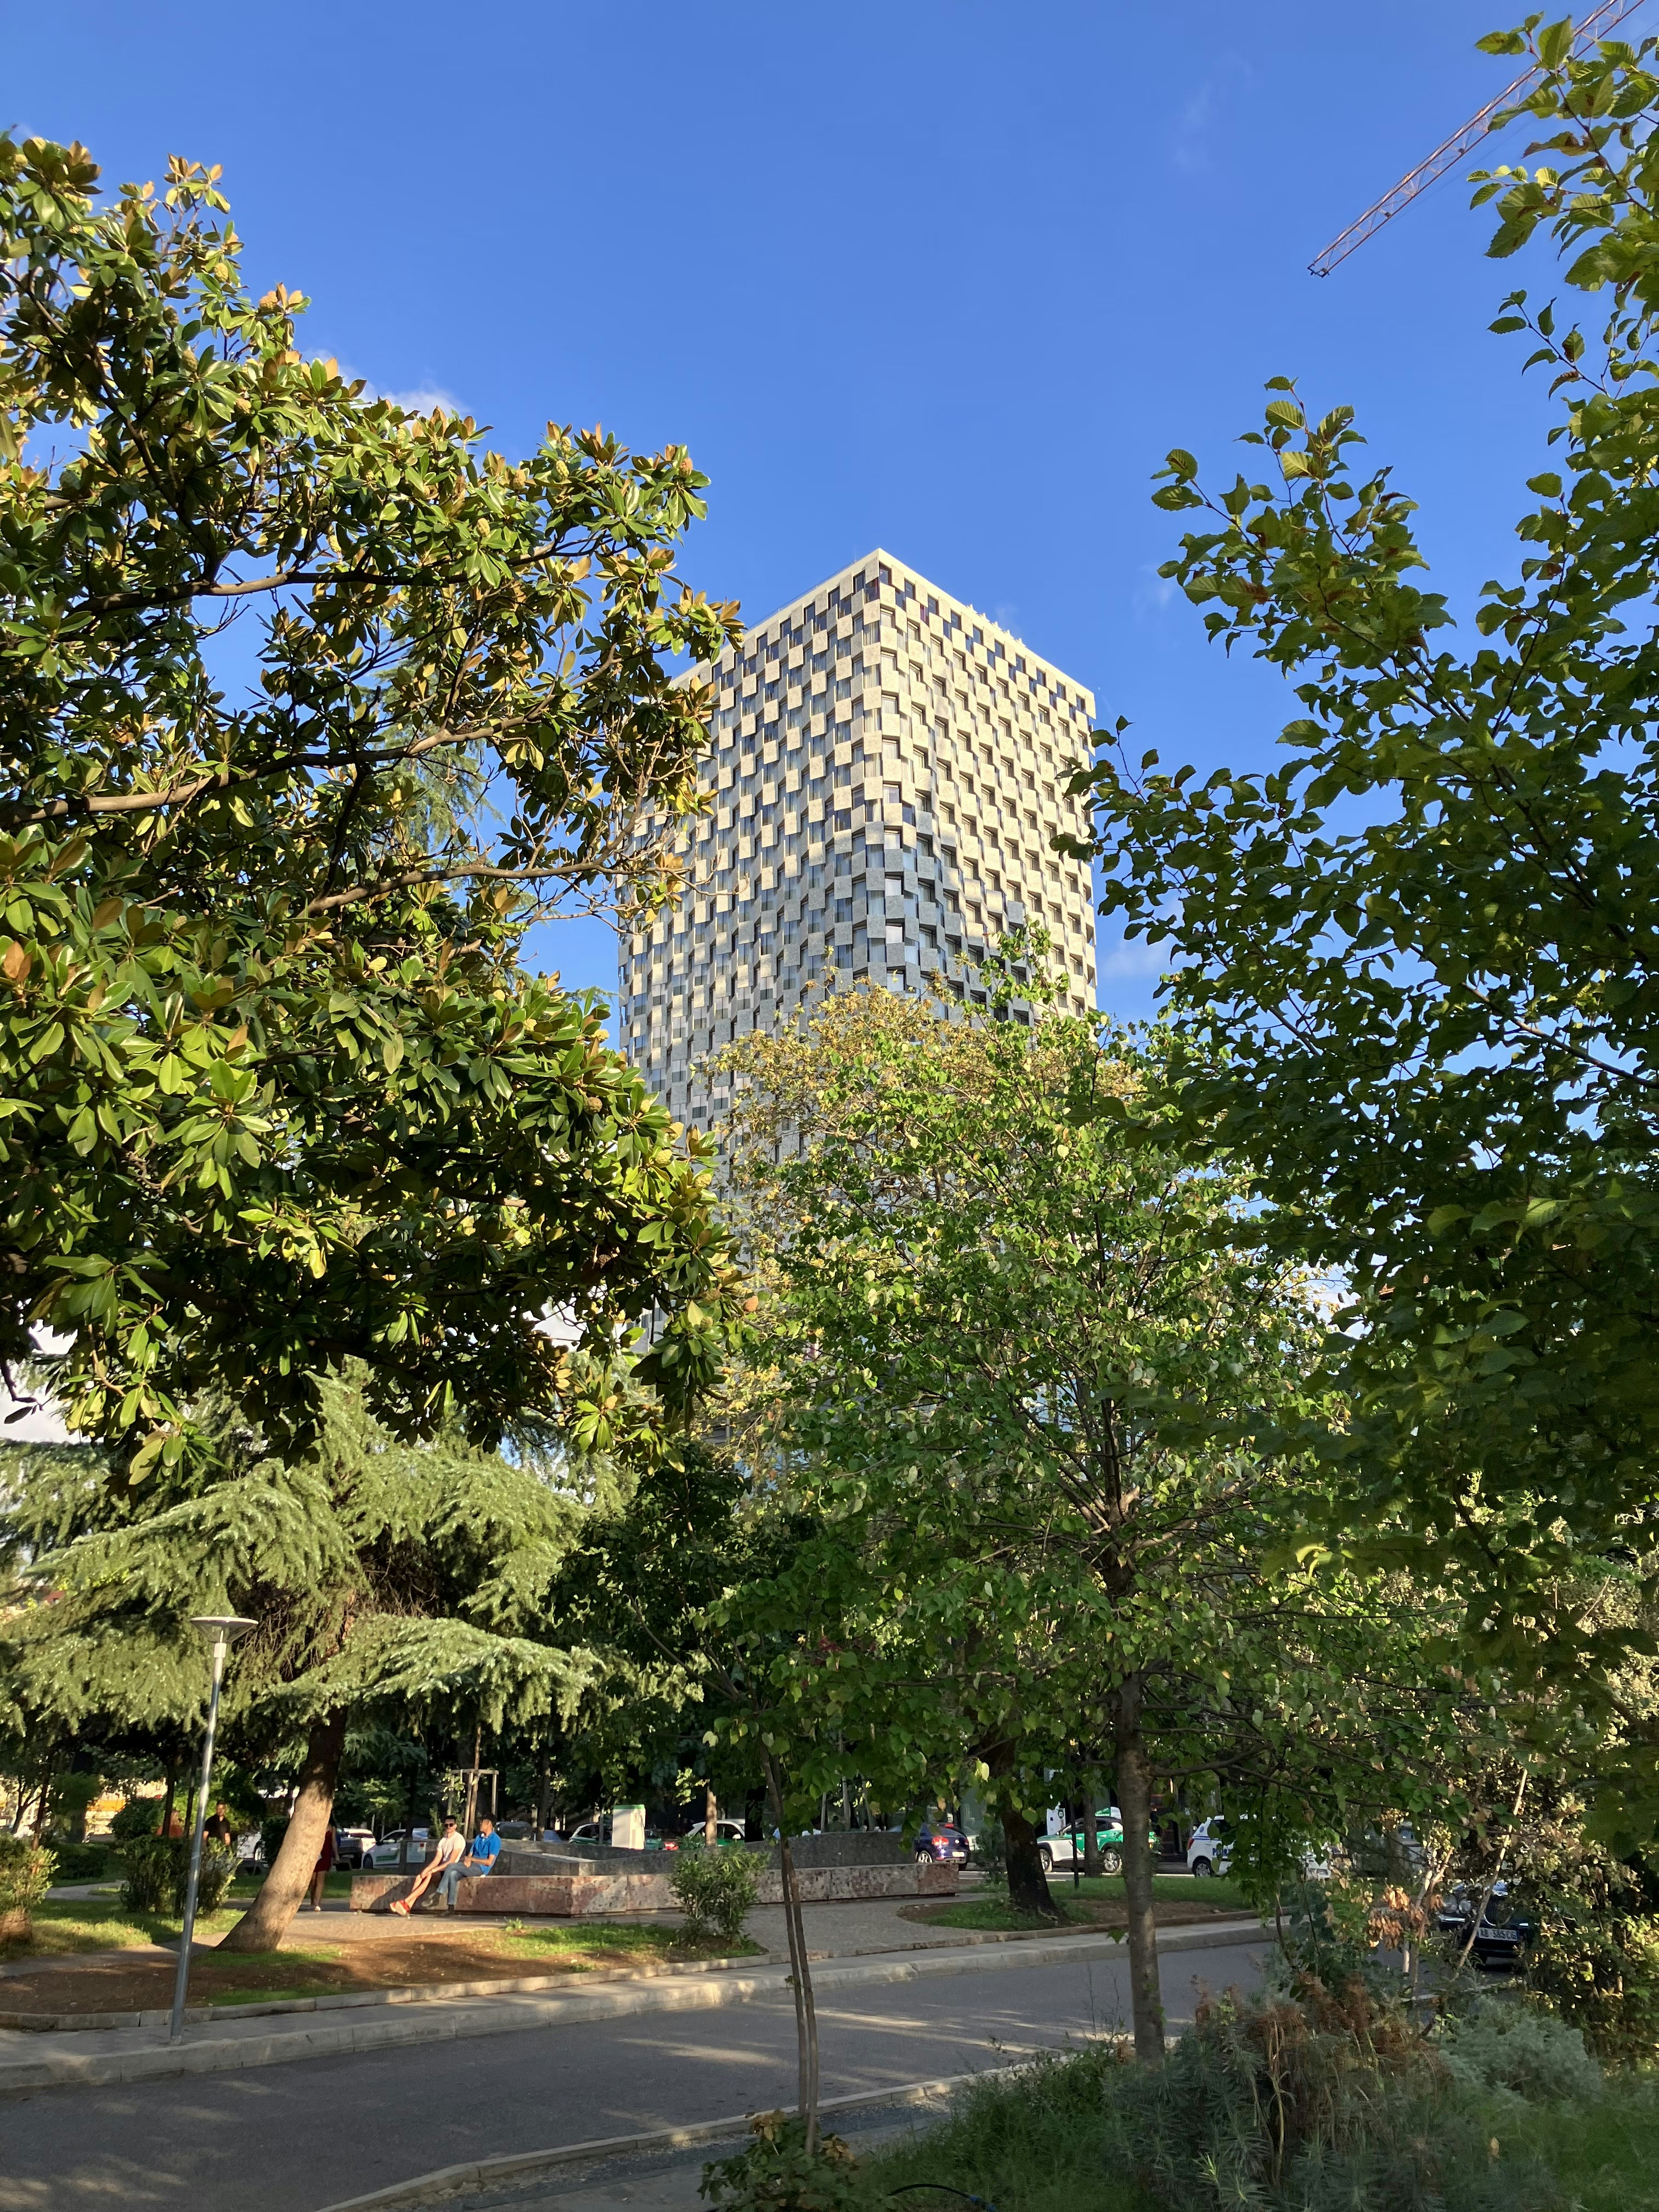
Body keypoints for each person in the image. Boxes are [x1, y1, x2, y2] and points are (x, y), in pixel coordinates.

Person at [389, 1816, 464, 1915]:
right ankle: (407, 1907)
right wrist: (427, 1870)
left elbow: (452, 1861)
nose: (448, 1827)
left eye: (451, 1825)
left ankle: (405, 1902)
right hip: (441, 1869)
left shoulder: (458, 1839)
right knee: (420, 1877)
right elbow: (437, 1860)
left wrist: (433, 1871)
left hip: (451, 1870)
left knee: (429, 1875)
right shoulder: (443, 1840)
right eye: (446, 1825)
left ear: (455, 1826)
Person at [307, 1821, 336, 1910]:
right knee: (313, 1880)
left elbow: (333, 1842)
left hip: (326, 1855)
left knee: (320, 1880)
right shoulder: (315, 1824)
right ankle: (313, 1899)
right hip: (315, 1854)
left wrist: (336, 1855)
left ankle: (317, 1903)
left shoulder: (332, 1827)